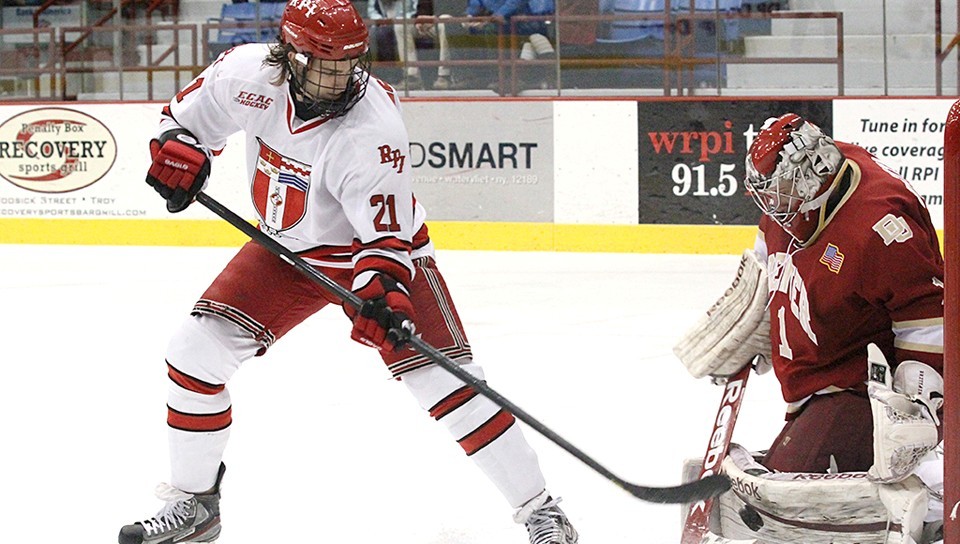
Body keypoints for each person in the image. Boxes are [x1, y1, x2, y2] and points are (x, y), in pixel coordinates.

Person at [116, 1, 578, 543]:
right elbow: (183, 122)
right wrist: (179, 151)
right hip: (285, 249)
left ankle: (541, 510)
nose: (339, 78)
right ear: (288, 54)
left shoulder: (372, 125)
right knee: (193, 351)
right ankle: (196, 503)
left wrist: (384, 291)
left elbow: (384, 237)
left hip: (368, 253)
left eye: (348, 64)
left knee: (445, 383)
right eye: (323, 63)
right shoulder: (245, 73)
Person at [675, 113, 945, 542]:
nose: (770, 205)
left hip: (856, 390)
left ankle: (933, 502)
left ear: (814, 178)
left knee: (790, 509)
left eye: (779, 193)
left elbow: (928, 321)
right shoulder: (788, 205)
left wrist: (914, 410)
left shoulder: (879, 226)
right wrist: (754, 319)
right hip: (811, 380)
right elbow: (767, 260)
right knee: (784, 492)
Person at [367, 0, 454, 90]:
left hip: (438, 21)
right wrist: (418, 20)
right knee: (401, 25)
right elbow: (416, 9)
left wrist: (433, 18)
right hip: (421, 23)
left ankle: (444, 76)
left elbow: (454, 8)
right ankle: (412, 77)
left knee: (445, 20)